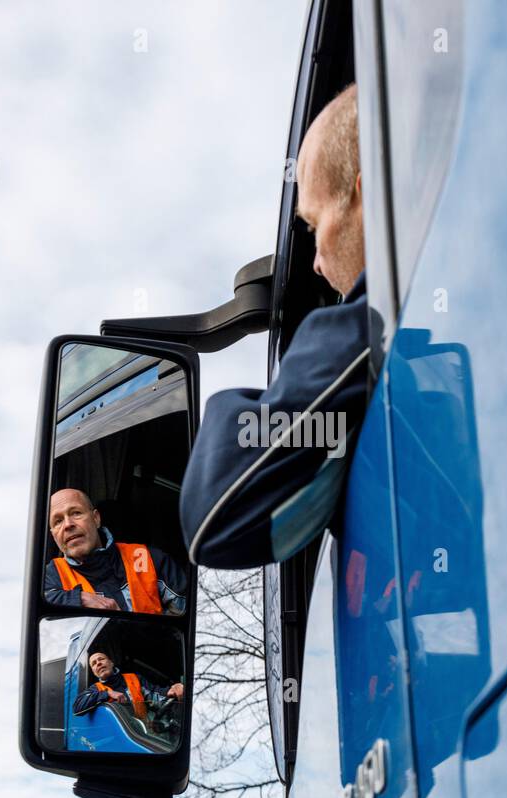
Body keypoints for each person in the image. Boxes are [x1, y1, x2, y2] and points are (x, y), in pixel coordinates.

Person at [180, 84, 376, 569]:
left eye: (313, 226)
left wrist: (223, 404)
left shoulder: (378, 325)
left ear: (367, 193)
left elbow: (214, 523)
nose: (315, 263)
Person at [45, 488, 187, 614]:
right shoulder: (51, 575)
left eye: (76, 513)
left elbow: (192, 615)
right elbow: (28, 603)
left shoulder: (149, 558)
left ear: (96, 519)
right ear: (53, 535)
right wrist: (79, 598)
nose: (68, 525)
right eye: (58, 521)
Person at [70, 650, 184, 719]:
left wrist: (171, 690)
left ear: (111, 662)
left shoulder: (133, 678)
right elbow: (77, 707)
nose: (98, 663)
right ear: (94, 672)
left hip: (143, 733)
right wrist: (108, 693)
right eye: (94, 664)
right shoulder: (95, 689)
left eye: (101, 659)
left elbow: (153, 693)